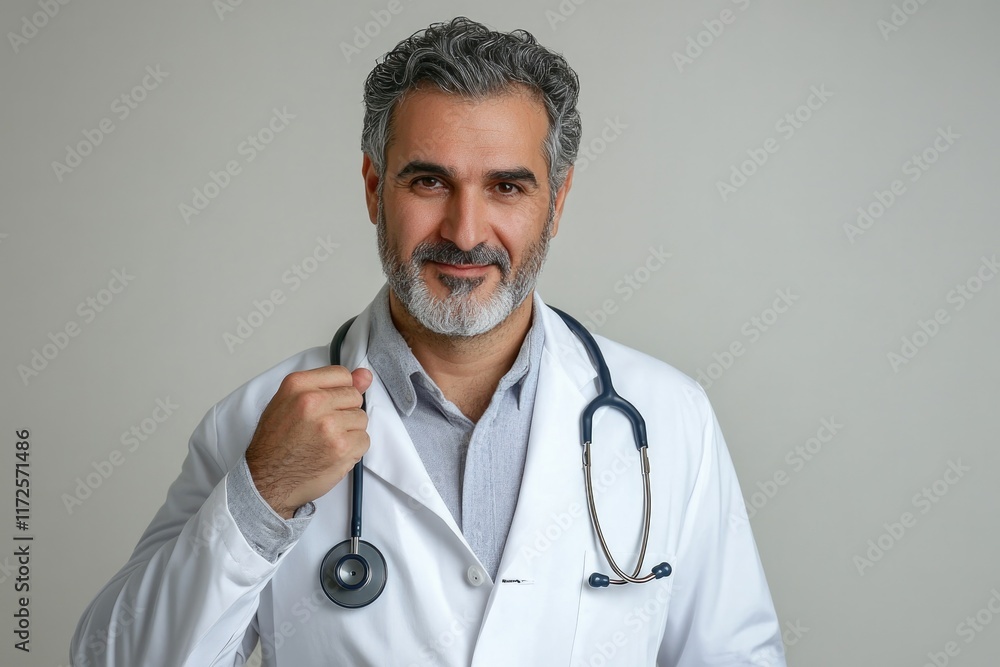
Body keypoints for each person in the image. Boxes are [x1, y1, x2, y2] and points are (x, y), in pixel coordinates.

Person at [71, 16, 786, 667]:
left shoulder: (668, 418)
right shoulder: (259, 424)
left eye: (507, 187)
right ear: (374, 186)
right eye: (429, 181)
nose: (466, 231)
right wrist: (262, 496)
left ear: (557, 200)